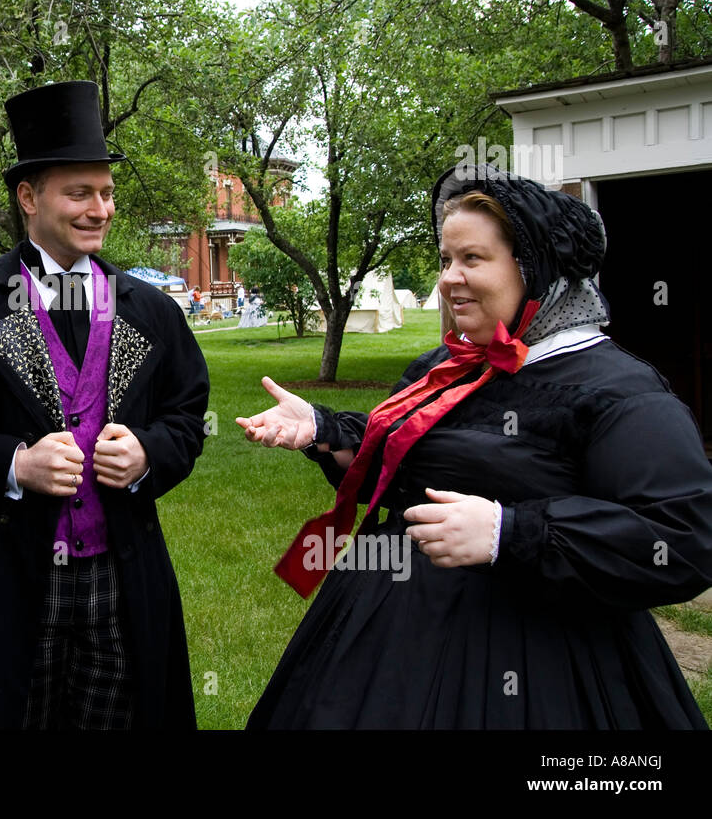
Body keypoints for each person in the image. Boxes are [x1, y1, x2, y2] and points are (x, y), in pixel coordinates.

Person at [237, 162, 712, 728]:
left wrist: (509, 533)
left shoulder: (618, 391)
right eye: (445, 260)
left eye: (472, 259)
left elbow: (680, 537)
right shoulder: (445, 367)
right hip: (388, 627)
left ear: (536, 268)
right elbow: (401, 469)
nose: (448, 278)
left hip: (538, 652)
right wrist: (323, 432)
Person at [0, 80, 210, 729]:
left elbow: (188, 418)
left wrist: (148, 454)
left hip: (122, 575)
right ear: (29, 197)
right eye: (79, 192)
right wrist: (12, 466)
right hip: (5, 581)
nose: (99, 209)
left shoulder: (153, 311)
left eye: (106, 192)